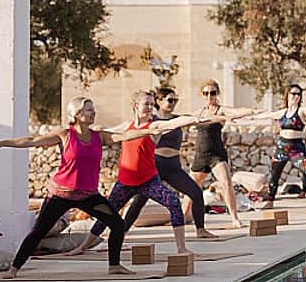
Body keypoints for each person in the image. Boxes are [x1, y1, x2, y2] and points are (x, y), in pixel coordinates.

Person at [0, 97, 171, 278]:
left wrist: (148, 130)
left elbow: (124, 135)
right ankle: (14, 268)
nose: (94, 113)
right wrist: (2, 143)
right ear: (76, 114)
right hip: (60, 195)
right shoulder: (64, 135)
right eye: (88, 110)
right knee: (39, 231)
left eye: (93, 109)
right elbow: (31, 141)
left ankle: (114, 265)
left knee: (117, 224)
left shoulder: (99, 136)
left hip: (87, 196)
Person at [69, 91, 204, 256]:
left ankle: (182, 248)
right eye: (146, 104)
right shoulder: (127, 126)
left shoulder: (154, 126)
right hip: (125, 182)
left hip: (148, 181)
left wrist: (194, 119)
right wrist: (95, 129)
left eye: (152, 104)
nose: (150, 107)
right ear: (135, 106)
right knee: (106, 213)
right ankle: (83, 247)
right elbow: (106, 133)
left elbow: (173, 123)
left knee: (174, 203)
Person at [119, 87, 229, 240]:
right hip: (155, 166)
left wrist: (225, 116)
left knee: (196, 192)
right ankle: (122, 232)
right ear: (159, 101)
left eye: (175, 100)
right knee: (139, 201)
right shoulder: (152, 122)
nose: (172, 104)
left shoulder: (178, 119)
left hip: (173, 167)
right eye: (170, 100)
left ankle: (201, 230)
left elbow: (200, 119)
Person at [248, 84, 306, 212]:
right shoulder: (283, 112)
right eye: (293, 94)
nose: (296, 96)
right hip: (281, 148)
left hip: (296, 149)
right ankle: (270, 201)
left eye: (299, 94)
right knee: (274, 175)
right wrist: (253, 115)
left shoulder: (301, 111)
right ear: (287, 95)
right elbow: (268, 115)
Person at [190, 79, 255, 228]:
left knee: (226, 183)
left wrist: (251, 111)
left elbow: (235, 112)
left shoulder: (221, 111)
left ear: (217, 93)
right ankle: (182, 218)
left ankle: (234, 218)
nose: (209, 96)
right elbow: (182, 119)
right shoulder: (199, 113)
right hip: (200, 155)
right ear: (202, 94)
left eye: (212, 93)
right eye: (206, 93)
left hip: (216, 155)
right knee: (191, 189)